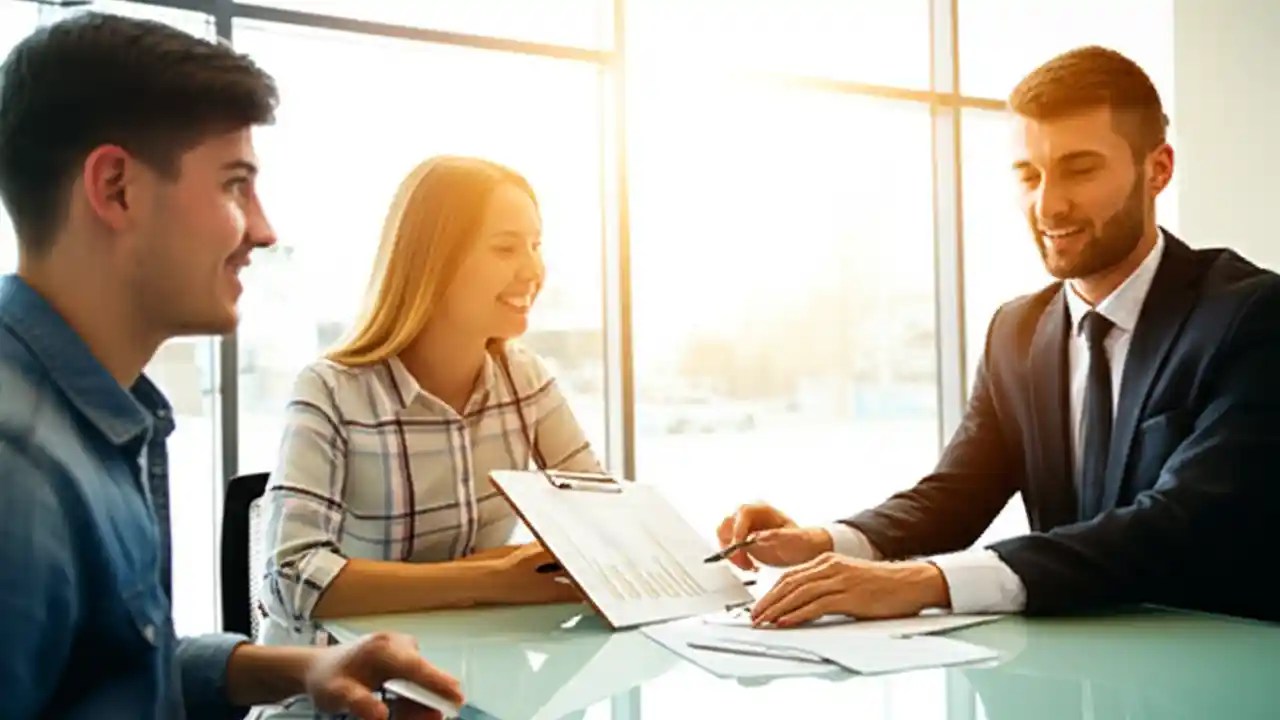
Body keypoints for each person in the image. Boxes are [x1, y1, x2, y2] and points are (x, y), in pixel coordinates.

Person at [716, 45, 1280, 627]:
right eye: (1028, 175)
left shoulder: (1251, 315)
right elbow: (957, 492)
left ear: (1157, 169)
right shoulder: (1017, 330)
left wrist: (923, 582)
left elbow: (1179, 523)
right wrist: (823, 542)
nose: (1048, 204)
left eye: (1080, 169)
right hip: (1076, 669)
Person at [0, 13, 462, 719]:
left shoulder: (92, 414)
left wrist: (304, 666)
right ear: (116, 187)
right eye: (234, 185)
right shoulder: (19, 475)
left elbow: (109, 669)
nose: (264, 229)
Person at [257, 155, 601, 647]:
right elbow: (289, 580)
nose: (534, 270)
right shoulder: (331, 390)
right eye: (506, 248)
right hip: (339, 692)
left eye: (535, 245)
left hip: (472, 682)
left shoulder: (524, 379)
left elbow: (605, 530)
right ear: (431, 261)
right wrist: (493, 579)